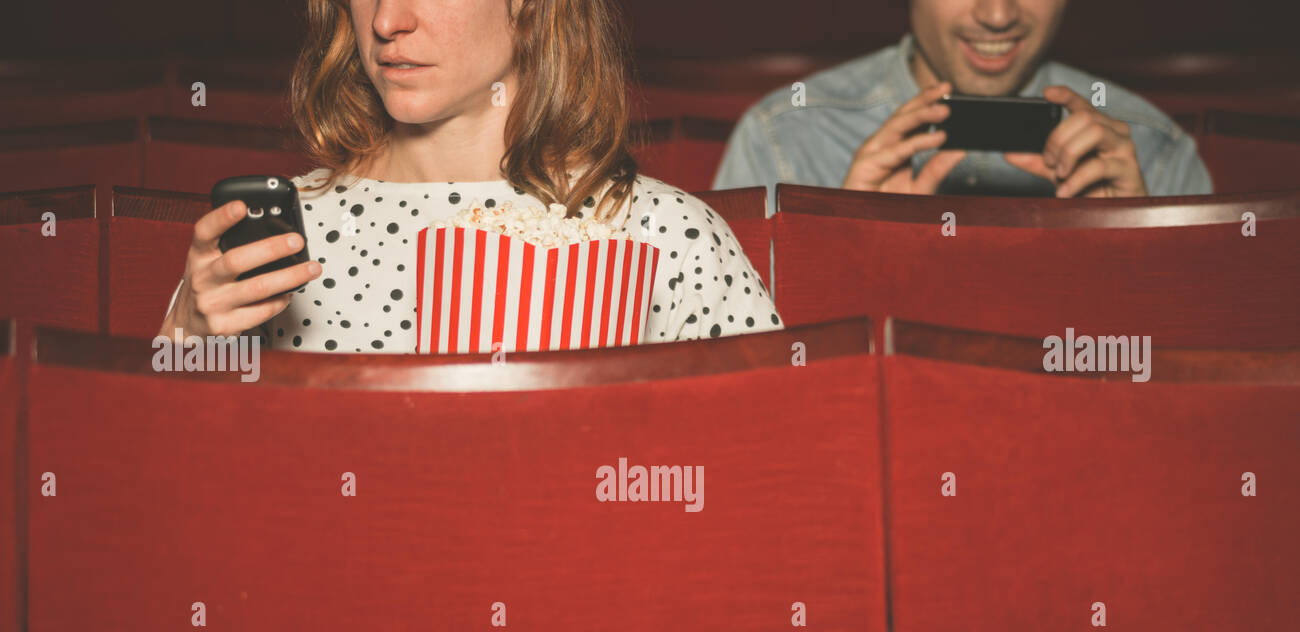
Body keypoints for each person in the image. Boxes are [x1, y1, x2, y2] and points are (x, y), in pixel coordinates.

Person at [160, 0, 781, 352]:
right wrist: (186, 339)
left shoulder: (665, 233)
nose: (386, 22)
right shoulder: (277, 235)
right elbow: (169, 498)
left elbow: (770, 477)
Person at [714, 0, 1212, 204]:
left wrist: (1143, 252)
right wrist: (850, 252)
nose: (997, 15)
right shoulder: (782, 138)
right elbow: (746, 385)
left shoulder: (1155, 152)